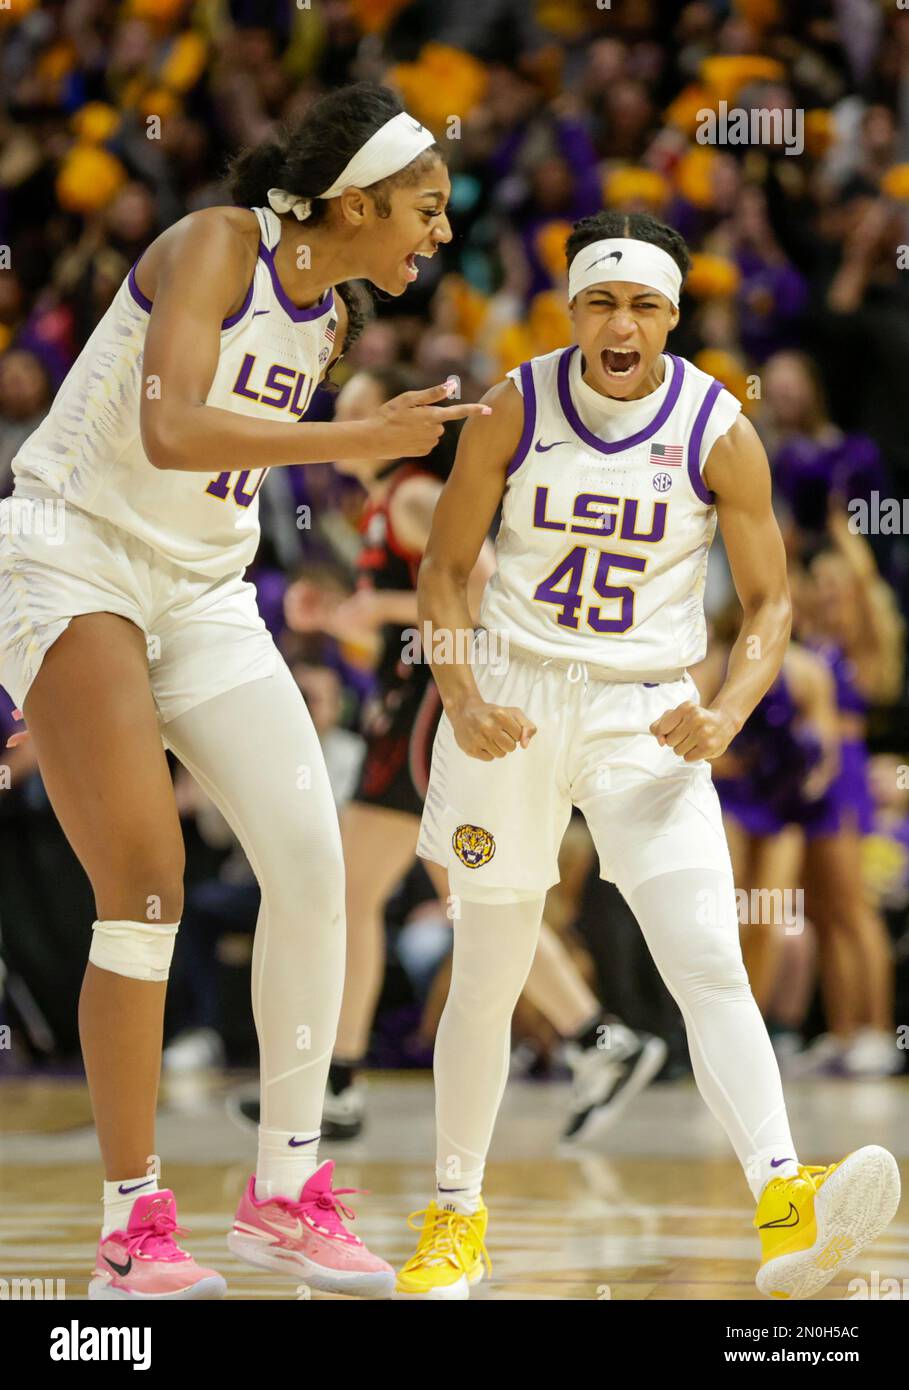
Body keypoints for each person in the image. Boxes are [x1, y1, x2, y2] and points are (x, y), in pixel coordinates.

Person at [0, 80, 490, 1300]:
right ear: (355, 197)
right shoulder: (215, 245)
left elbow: (222, 475)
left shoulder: (326, 315)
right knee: (149, 885)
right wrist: (356, 441)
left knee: (315, 864)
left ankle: (284, 1190)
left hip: (205, 589)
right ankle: (131, 1225)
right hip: (77, 554)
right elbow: (171, 431)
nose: (439, 232)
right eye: (422, 208)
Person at [395, 210, 901, 1300]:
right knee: (489, 972)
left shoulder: (721, 428)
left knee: (708, 958)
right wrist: (463, 692)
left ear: (673, 314)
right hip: (514, 702)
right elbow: (443, 575)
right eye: (601, 301)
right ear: (573, 307)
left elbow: (768, 605)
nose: (621, 324)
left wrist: (725, 711)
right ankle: (455, 1217)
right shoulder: (513, 407)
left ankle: (782, 1198)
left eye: (644, 305)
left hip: (646, 712)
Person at [279, 364, 666, 1145]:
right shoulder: (384, 508)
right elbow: (407, 614)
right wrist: (347, 615)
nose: (351, 415)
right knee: (426, 888)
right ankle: (592, 1040)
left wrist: (375, 606)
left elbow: (489, 595)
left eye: (363, 404)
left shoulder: (418, 496)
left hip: (433, 708)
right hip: (407, 704)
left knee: (416, 886)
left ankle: (344, 1083)